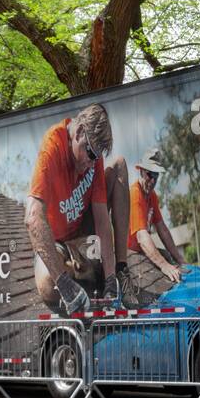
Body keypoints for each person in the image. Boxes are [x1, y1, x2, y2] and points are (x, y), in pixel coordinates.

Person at [26, 104, 133, 313]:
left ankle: (120, 271)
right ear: (79, 132)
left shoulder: (94, 158)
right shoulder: (52, 145)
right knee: (48, 283)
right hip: (59, 244)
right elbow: (32, 218)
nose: (92, 164)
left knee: (119, 165)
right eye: (91, 154)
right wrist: (64, 284)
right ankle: (71, 276)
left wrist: (110, 280)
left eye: (97, 158)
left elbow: (102, 219)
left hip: (85, 236)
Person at [127, 149, 187, 283]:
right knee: (159, 271)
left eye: (156, 175)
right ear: (141, 171)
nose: (153, 180)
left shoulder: (152, 196)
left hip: (142, 252)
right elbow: (142, 237)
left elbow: (163, 230)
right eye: (150, 174)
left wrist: (180, 259)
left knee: (169, 259)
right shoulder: (134, 194)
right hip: (128, 253)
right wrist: (164, 266)